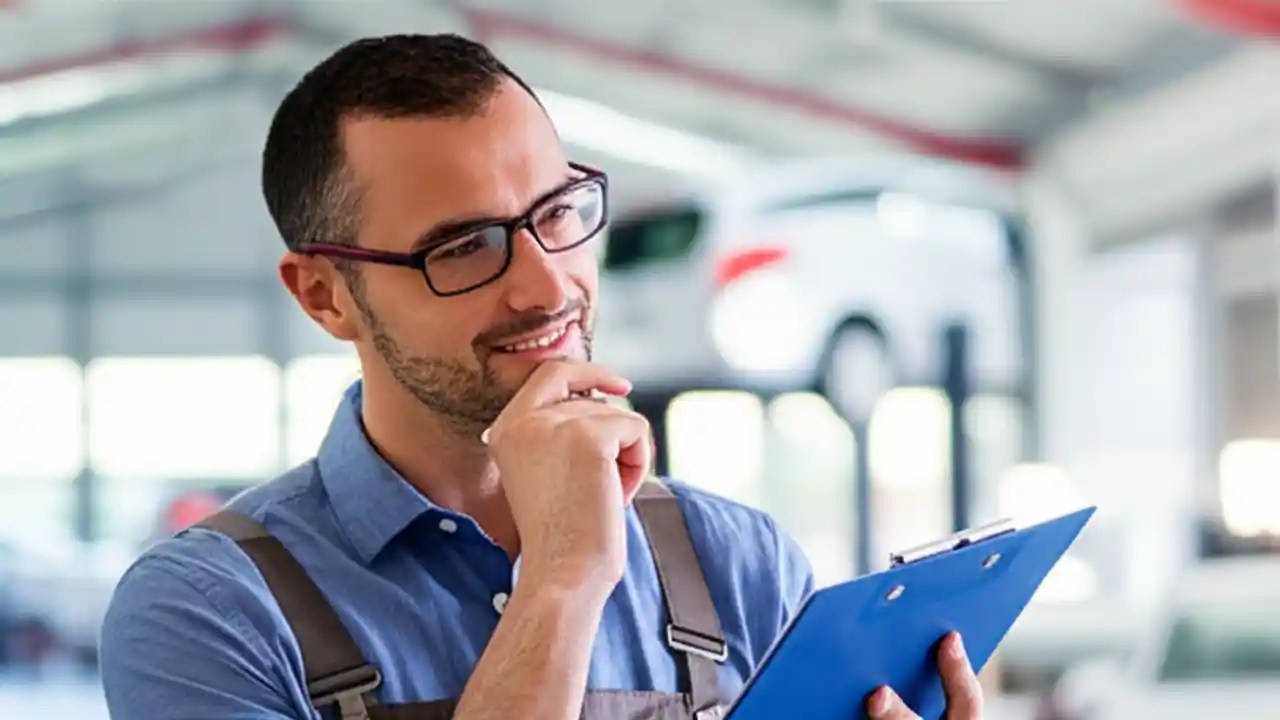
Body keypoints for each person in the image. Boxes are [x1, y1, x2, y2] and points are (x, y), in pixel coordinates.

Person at [98, 33, 984, 720]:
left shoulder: (736, 563)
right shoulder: (209, 612)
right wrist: (562, 580)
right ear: (326, 296)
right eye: (466, 246)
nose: (550, 283)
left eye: (557, 213)